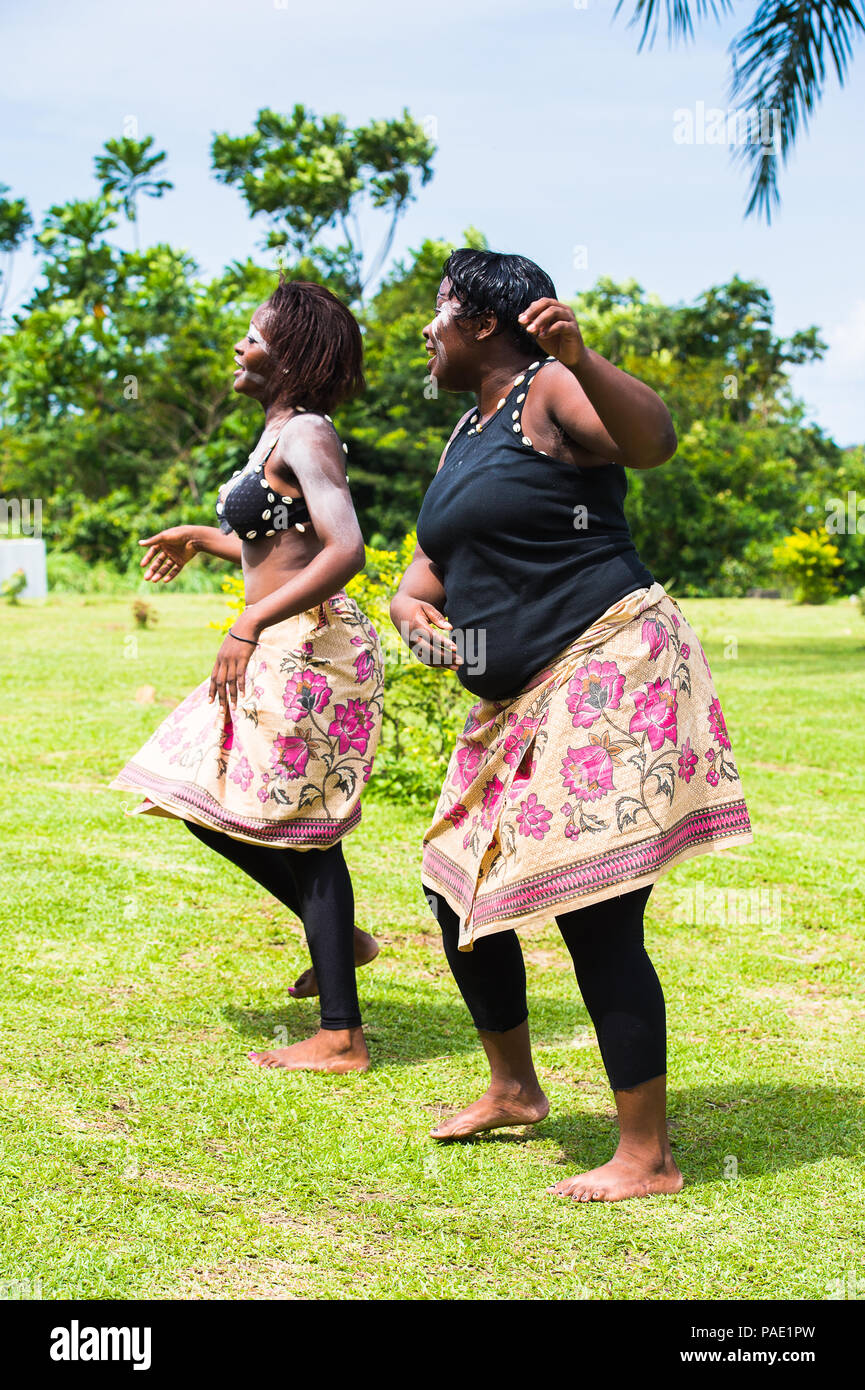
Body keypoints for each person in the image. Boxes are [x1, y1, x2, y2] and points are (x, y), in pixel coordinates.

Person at [390, 249, 753, 1200]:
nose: (425, 332)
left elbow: (651, 443)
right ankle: (513, 1089)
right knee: (453, 886)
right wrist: (406, 605)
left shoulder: (550, 387)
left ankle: (647, 1156)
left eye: (438, 311)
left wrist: (582, 355)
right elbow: (434, 559)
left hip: (605, 658)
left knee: (595, 909)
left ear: (483, 324)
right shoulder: (466, 432)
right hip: (513, 692)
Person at [111, 277, 384, 1074]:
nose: (241, 345)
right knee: (194, 795)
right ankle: (338, 939)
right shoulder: (276, 438)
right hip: (279, 642)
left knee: (305, 834)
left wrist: (249, 620)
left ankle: (341, 1034)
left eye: (256, 336)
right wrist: (206, 534)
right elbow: (280, 549)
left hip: (309, 648)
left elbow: (344, 550)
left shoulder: (307, 435)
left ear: (292, 356)